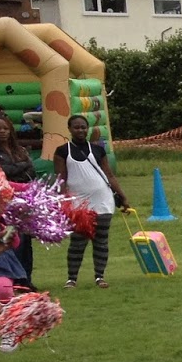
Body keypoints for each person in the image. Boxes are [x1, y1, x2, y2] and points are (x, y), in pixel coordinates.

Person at [54, 115, 127, 289]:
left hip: (102, 200)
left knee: (101, 240)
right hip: (78, 203)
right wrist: (61, 201)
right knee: (78, 241)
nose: (80, 130)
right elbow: (61, 178)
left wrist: (123, 197)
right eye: (77, 127)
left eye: (83, 127)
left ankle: (100, 277)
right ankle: (71, 279)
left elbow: (109, 175)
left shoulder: (98, 150)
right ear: (70, 129)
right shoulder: (63, 151)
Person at [0, 113, 38, 286]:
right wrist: (20, 168)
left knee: (26, 242)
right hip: (5, 203)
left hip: (25, 201)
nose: (2, 132)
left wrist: (16, 170)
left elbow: (32, 172)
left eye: (5, 128)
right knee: (12, 240)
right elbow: (2, 174)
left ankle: (27, 280)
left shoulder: (19, 150)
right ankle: (15, 281)